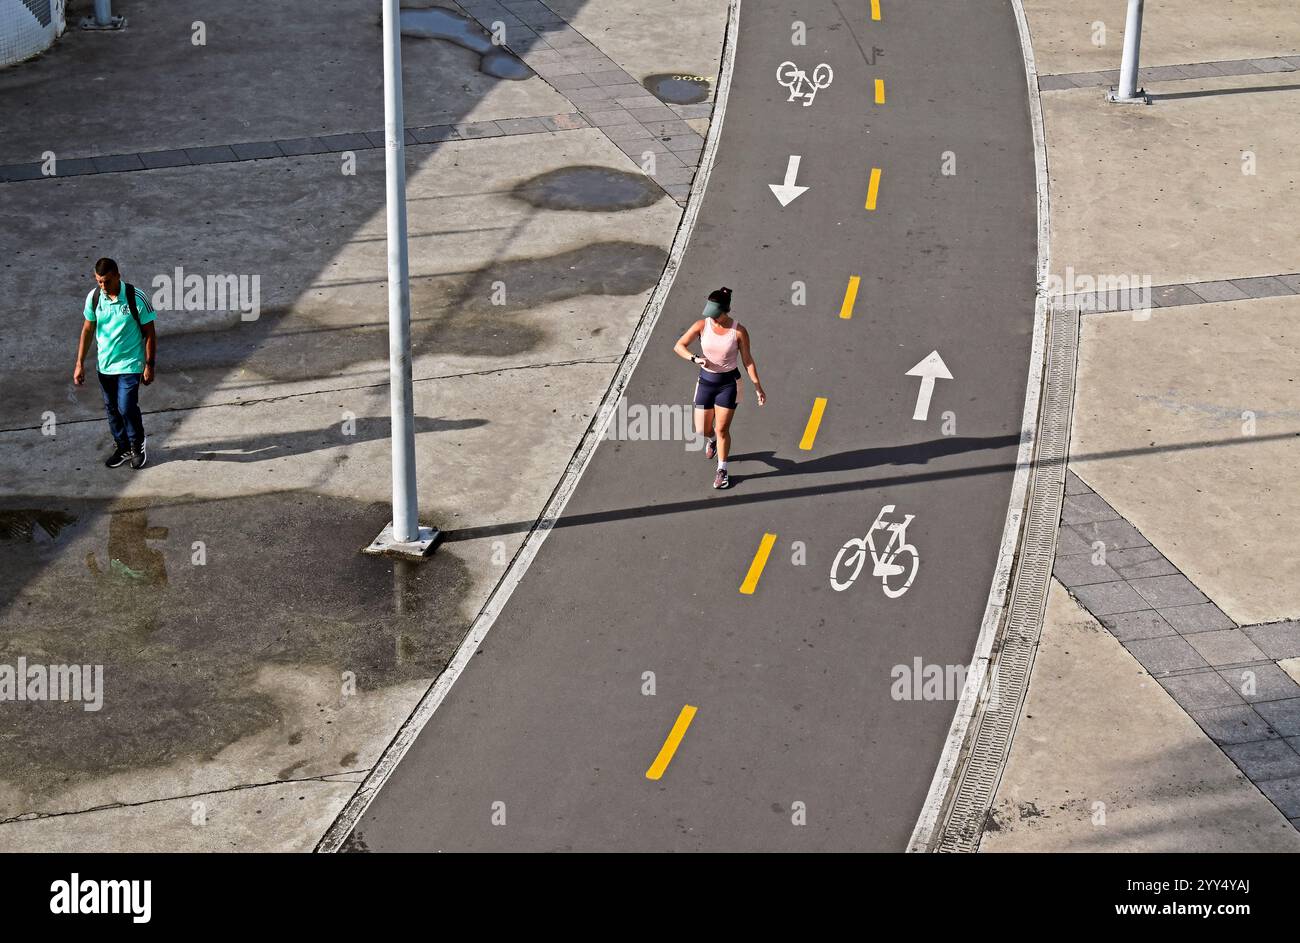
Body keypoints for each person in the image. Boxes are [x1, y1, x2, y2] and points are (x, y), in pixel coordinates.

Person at [673, 287, 766, 489]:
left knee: (722, 428)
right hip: (706, 382)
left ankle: (722, 471)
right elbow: (679, 345)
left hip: (729, 384)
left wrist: (758, 386)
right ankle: (712, 441)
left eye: (716, 315)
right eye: (710, 315)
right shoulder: (701, 325)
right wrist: (695, 358)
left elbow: (748, 360)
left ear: (726, 310)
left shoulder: (739, 332)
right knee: (703, 430)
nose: (713, 319)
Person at [73, 258, 157, 469]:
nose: (103, 286)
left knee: (126, 406)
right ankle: (123, 447)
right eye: (99, 281)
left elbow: (150, 333)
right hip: (105, 365)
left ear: (118, 276)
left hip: (130, 363)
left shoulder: (136, 298)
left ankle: (137, 444)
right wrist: (79, 363)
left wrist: (149, 364)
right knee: (112, 409)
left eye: (107, 281)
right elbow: (87, 329)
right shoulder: (94, 298)